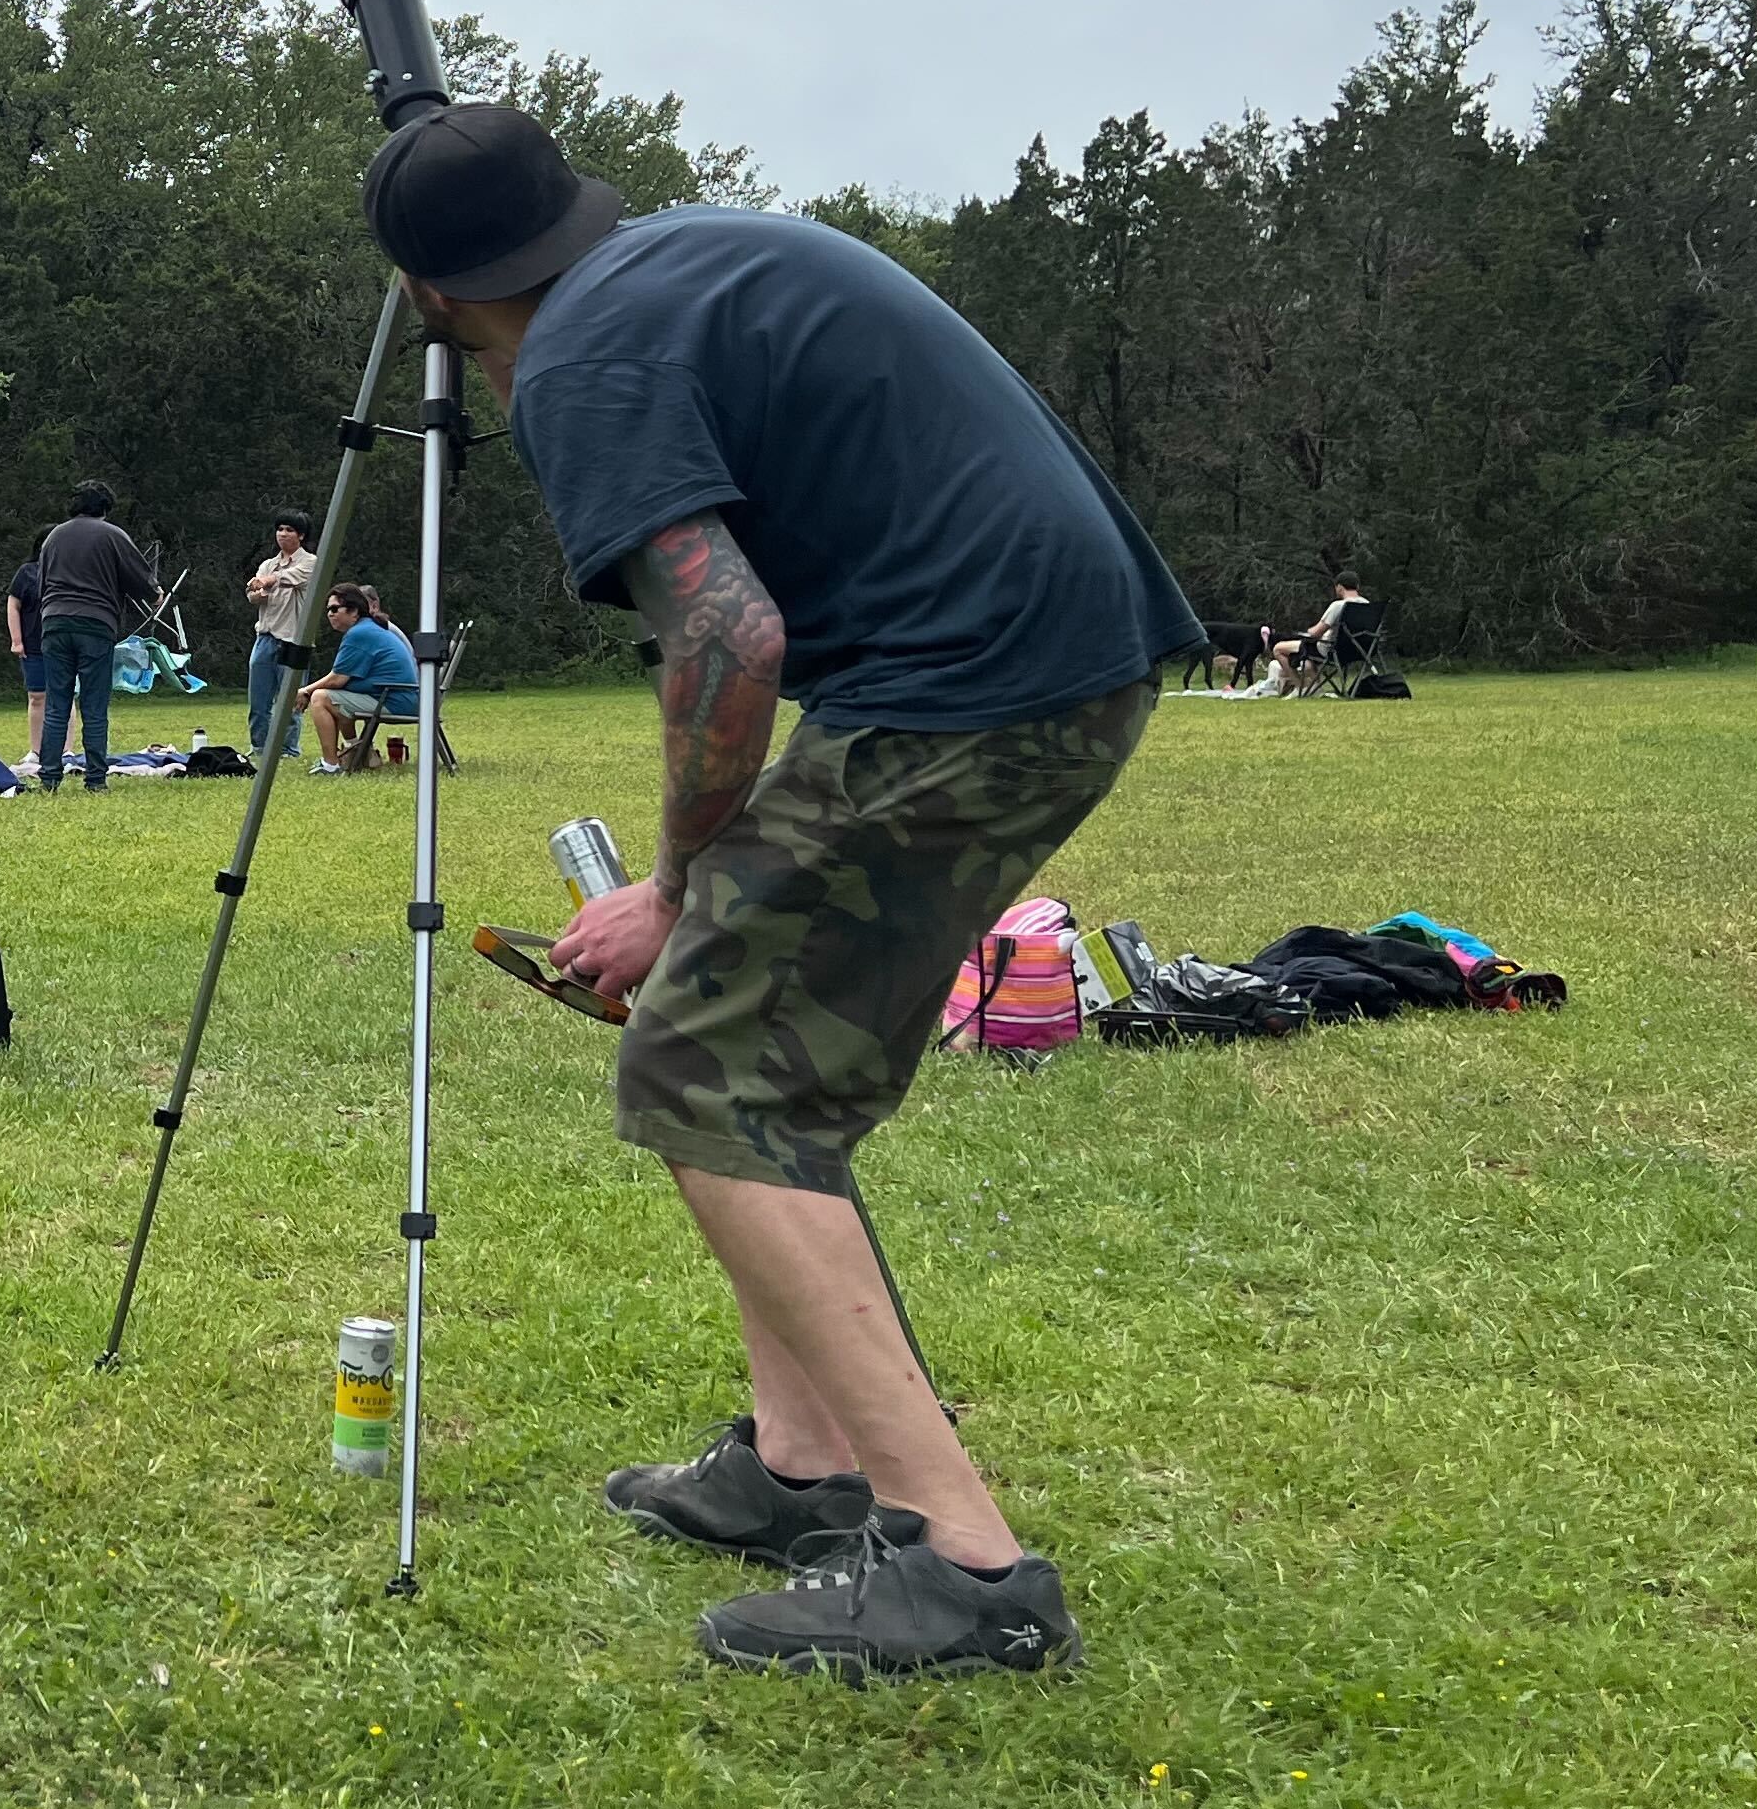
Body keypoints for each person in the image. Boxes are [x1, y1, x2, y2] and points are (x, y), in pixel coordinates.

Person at [365, 103, 1197, 1682]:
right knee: (754, 1069)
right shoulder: (680, 262)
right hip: (1034, 655)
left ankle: (966, 1569)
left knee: (698, 1058)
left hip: (974, 682)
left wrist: (681, 889)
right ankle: (798, 1469)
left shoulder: (587, 359)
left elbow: (729, 637)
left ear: (430, 297)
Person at [29, 480, 157, 792]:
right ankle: (96, 778)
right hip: (96, 624)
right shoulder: (113, 535)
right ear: (105, 508)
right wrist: (155, 592)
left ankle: (49, 776)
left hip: (54, 623)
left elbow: (41, 583)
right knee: (94, 703)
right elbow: (143, 584)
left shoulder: (54, 537)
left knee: (57, 701)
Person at [296, 581, 419, 773]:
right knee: (336, 698)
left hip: (397, 701)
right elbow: (341, 681)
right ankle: (359, 753)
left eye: (335, 609)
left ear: (354, 612)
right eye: (328, 610)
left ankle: (330, 765)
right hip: (403, 698)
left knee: (320, 698)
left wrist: (305, 690)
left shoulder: (359, 633)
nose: (330, 614)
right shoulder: (367, 628)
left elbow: (337, 679)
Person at [242, 511, 319, 760]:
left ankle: (287, 749)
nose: (283, 534)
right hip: (265, 638)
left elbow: (287, 578)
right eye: (280, 529)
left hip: (294, 640)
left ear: (301, 535)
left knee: (290, 701)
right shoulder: (267, 564)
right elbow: (252, 594)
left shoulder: (310, 562)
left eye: (289, 530)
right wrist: (257, 591)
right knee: (259, 700)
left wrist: (264, 582)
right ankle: (260, 747)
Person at [4, 551, 49, 773]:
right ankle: (36, 750)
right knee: (37, 696)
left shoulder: (68, 570)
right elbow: (13, 605)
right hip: (32, 643)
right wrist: (17, 640)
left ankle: (66, 750)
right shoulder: (27, 572)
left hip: (61, 643)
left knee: (65, 695)